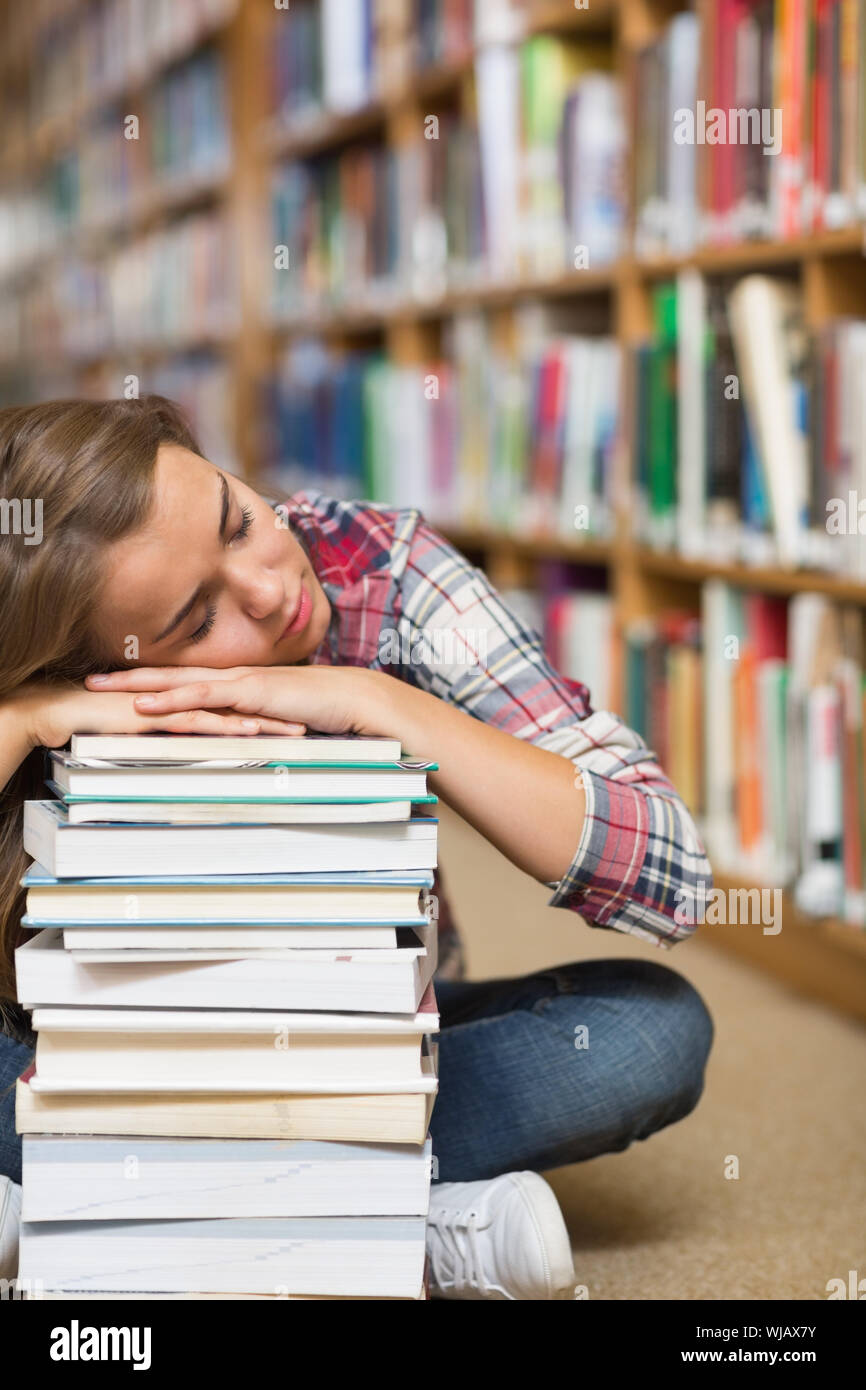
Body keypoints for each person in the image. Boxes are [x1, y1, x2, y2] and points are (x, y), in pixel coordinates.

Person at [0, 396, 714, 1300]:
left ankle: (96, 1211)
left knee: (655, 1034)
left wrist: (385, 705)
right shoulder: (41, 674)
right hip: (113, 1054)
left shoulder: (384, 567)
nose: (270, 589)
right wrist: (28, 720)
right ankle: (403, 1221)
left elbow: (677, 875)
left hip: (358, 1037)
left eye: (238, 520)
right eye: (194, 622)